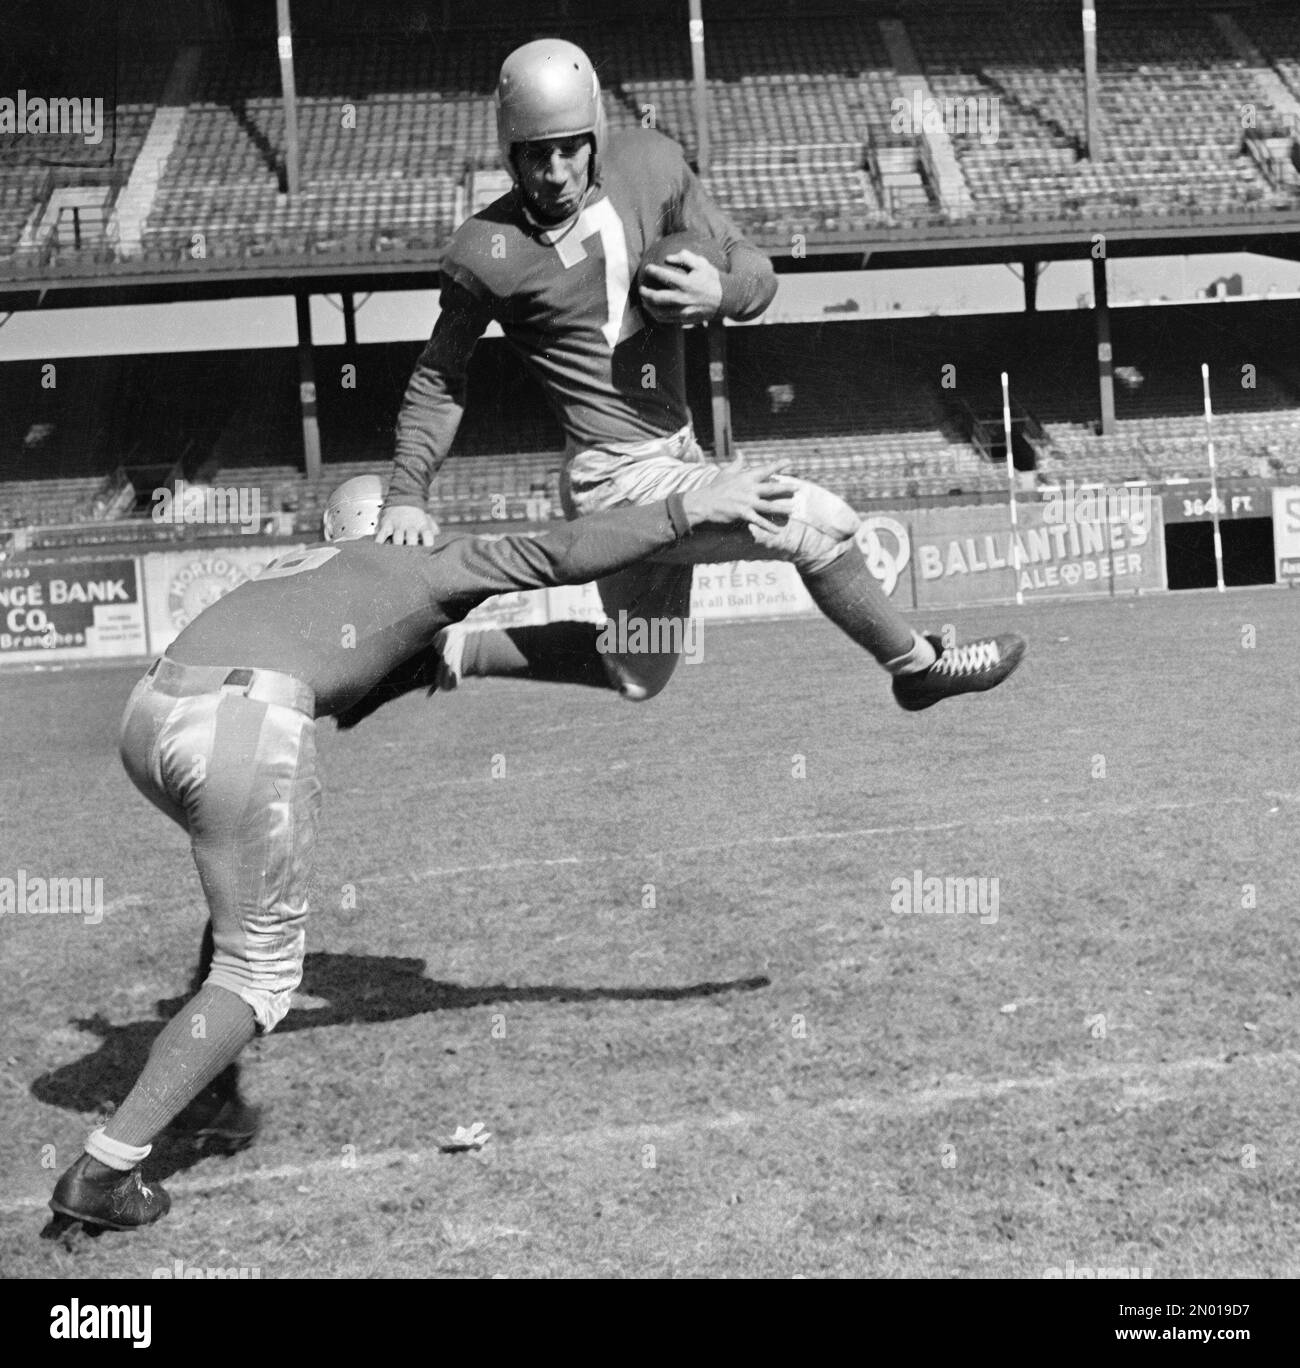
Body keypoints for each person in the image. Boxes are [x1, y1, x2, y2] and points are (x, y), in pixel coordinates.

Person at [48, 464, 792, 1231]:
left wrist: (423, 663)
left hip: (150, 713)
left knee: (246, 903)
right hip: (239, 724)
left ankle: (211, 1090)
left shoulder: (304, 566)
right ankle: (107, 1167)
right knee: (261, 970)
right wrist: (685, 507)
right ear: (401, 520)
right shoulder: (424, 556)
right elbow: (562, 550)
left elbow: (353, 661)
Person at [377, 37, 1025, 712]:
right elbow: (439, 376)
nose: (557, 171)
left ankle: (450, 652)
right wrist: (406, 493)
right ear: (508, 152)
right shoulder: (489, 249)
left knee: (637, 669)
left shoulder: (652, 165)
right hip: (612, 476)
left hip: (677, 451)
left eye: (570, 147)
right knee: (818, 523)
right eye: (535, 153)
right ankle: (919, 667)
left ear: (595, 133)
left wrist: (722, 293)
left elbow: (756, 268)